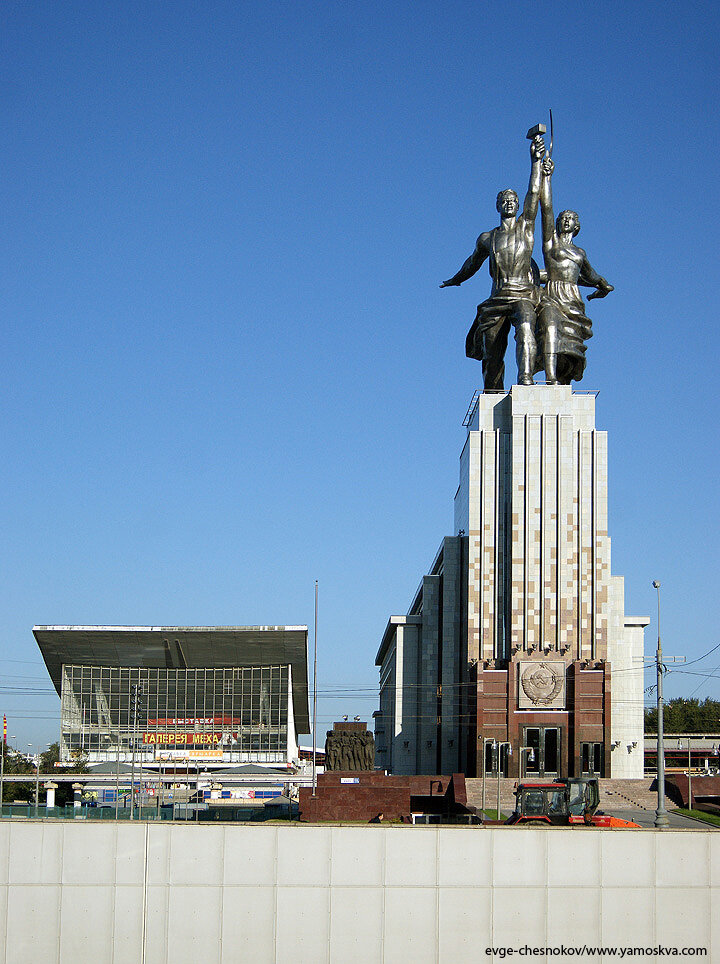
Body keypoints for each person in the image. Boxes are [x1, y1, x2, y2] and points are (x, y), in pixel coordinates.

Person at [441, 133, 546, 391]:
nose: (509, 203)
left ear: (518, 205)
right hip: (497, 297)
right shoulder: (487, 238)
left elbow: (534, 192)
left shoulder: (526, 227)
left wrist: (535, 162)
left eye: (513, 200)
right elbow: (471, 264)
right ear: (497, 206)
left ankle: (526, 378)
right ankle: (493, 392)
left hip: (523, 293)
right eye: (504, 201)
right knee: (492, 351)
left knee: (525, 324)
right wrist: (456, 279)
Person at [536, 157, 614, 384]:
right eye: (563, 218)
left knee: (571, 348)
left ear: (576, 226)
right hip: (552, 295)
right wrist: (546, 177)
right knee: (550, 330)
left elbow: (590, 276)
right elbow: (546, 207)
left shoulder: (580, 253)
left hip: (573, 299)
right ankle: (549, 377)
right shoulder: (551, 244)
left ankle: (562, 379)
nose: (565, 220)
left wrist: (603, 285)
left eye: (570, 218)